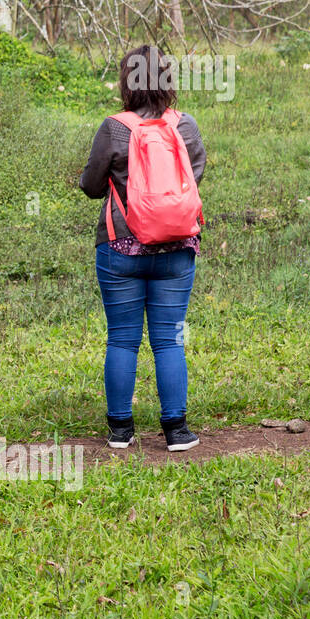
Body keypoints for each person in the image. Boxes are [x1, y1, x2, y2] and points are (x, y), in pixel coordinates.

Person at [80, 45, 207, 451]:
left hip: (120, 247)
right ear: (167, 80)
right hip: (176, 247)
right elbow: (194, 177)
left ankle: (120, 430)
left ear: (126, 82)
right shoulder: (185, 126)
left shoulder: (114, 128)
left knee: (121, 338)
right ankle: (177, 431)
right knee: (169, 339)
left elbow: (91, 186)